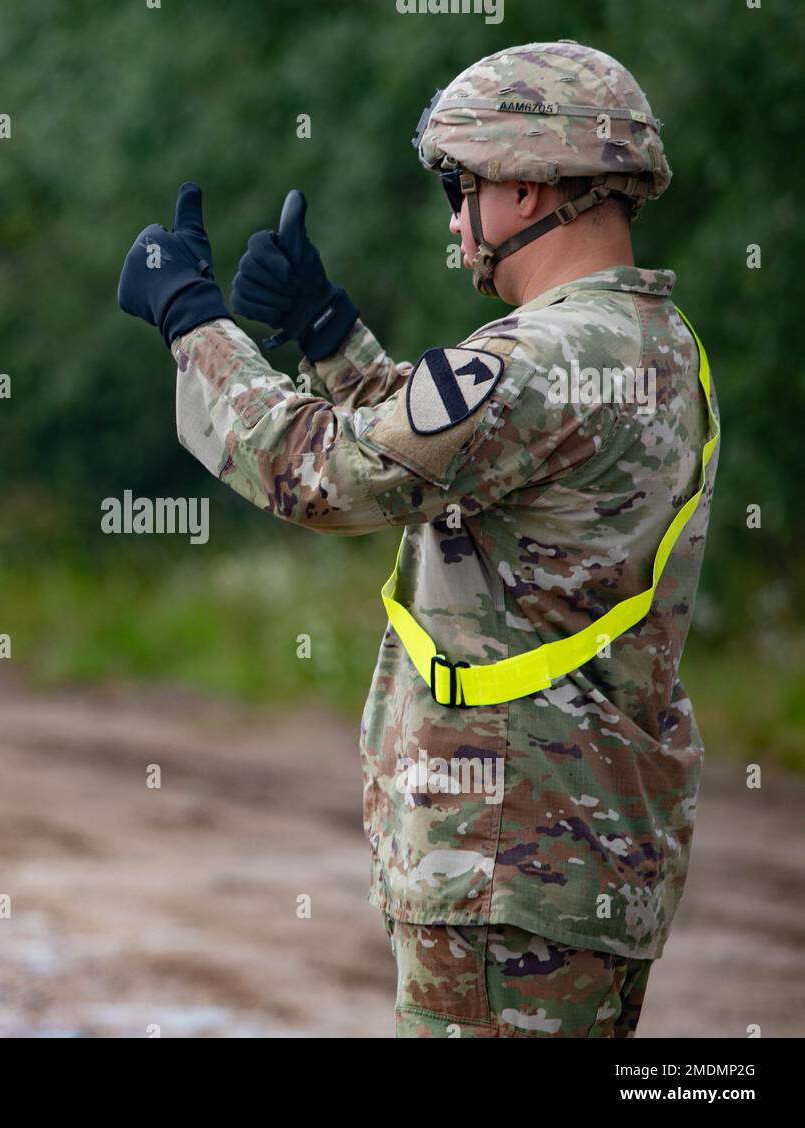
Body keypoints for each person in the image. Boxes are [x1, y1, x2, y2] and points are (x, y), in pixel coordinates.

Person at [117, 40, 719, 1037]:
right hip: (588, 840)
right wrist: (326, 334)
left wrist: (192, 320)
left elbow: (318, 475)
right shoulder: (650, 342)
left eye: (460, 184)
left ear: (527, 186)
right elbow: (456, 462)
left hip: (506, 851)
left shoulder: (544, 355)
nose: (452, 218)